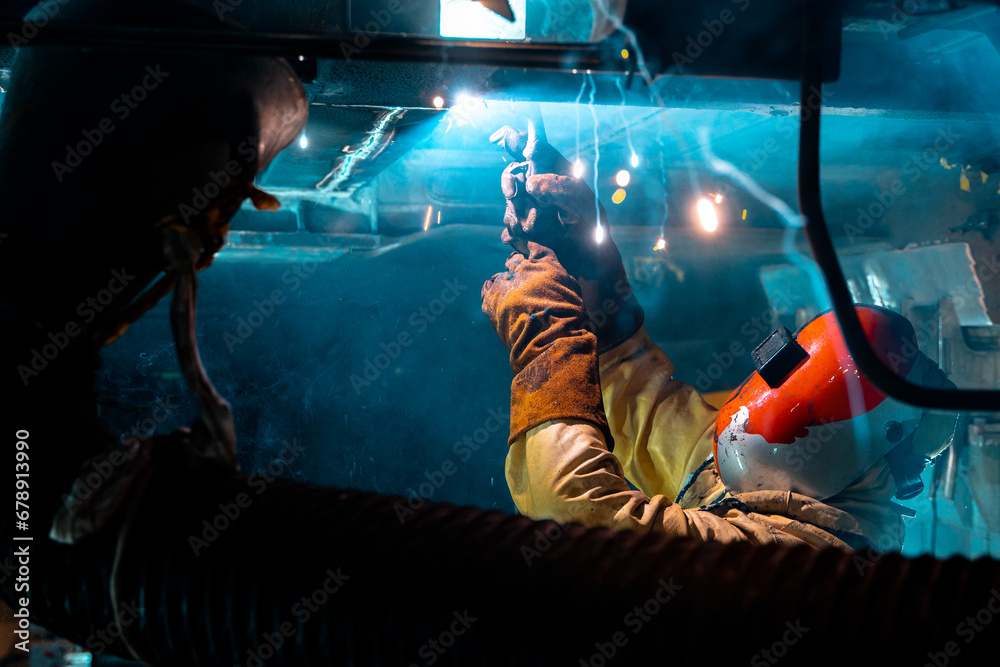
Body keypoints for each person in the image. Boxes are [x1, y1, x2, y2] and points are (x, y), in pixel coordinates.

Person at [481, 127, 957, 552]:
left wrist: (548, 341)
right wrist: (594, 282)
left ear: (865, 435)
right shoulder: (770, 481)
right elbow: (646, 417)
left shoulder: (800, 558)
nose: (776, 389)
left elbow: (575, 512)